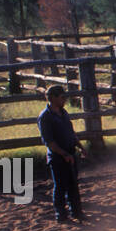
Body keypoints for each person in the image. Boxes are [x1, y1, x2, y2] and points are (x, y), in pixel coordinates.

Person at [38, 85, 85, 223]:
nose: (64, 99)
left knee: (73, 184)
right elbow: (50, 142)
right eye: (62, 97)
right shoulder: (45, 117)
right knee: (60, 186)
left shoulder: (63, 113)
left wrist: (80, 147)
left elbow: (71, 133)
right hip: (57, 157)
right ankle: (61, 214)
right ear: (53, 98)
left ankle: (76, 212)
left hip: (70, 153)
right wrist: (64, 154)